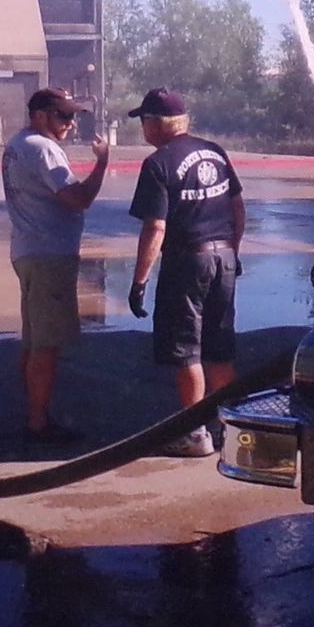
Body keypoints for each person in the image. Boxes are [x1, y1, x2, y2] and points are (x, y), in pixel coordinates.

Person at [122, 87, 243, 459]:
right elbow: (238, 208)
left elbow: (155, 227)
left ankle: (194, 434)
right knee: (219, 349)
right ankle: (236, 430)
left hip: (187, 262)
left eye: (144, 120)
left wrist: (139, 280)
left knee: (187, 351)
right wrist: (231, 253)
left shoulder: (158, 163)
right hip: (222, 256)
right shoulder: (215, 152)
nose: (142, 128)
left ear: (157, 124)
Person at [1, 87, 108, 449]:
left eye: (73, 116)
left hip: (28, 251)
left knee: (34, 342)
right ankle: (38, 422)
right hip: (49, 256)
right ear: (40, 115)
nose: (70, 123)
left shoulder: (19, 142)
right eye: (63, 116)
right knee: (46, 345)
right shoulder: (43, 149)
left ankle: (33, 413)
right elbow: (78, 200)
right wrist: (102, 164)